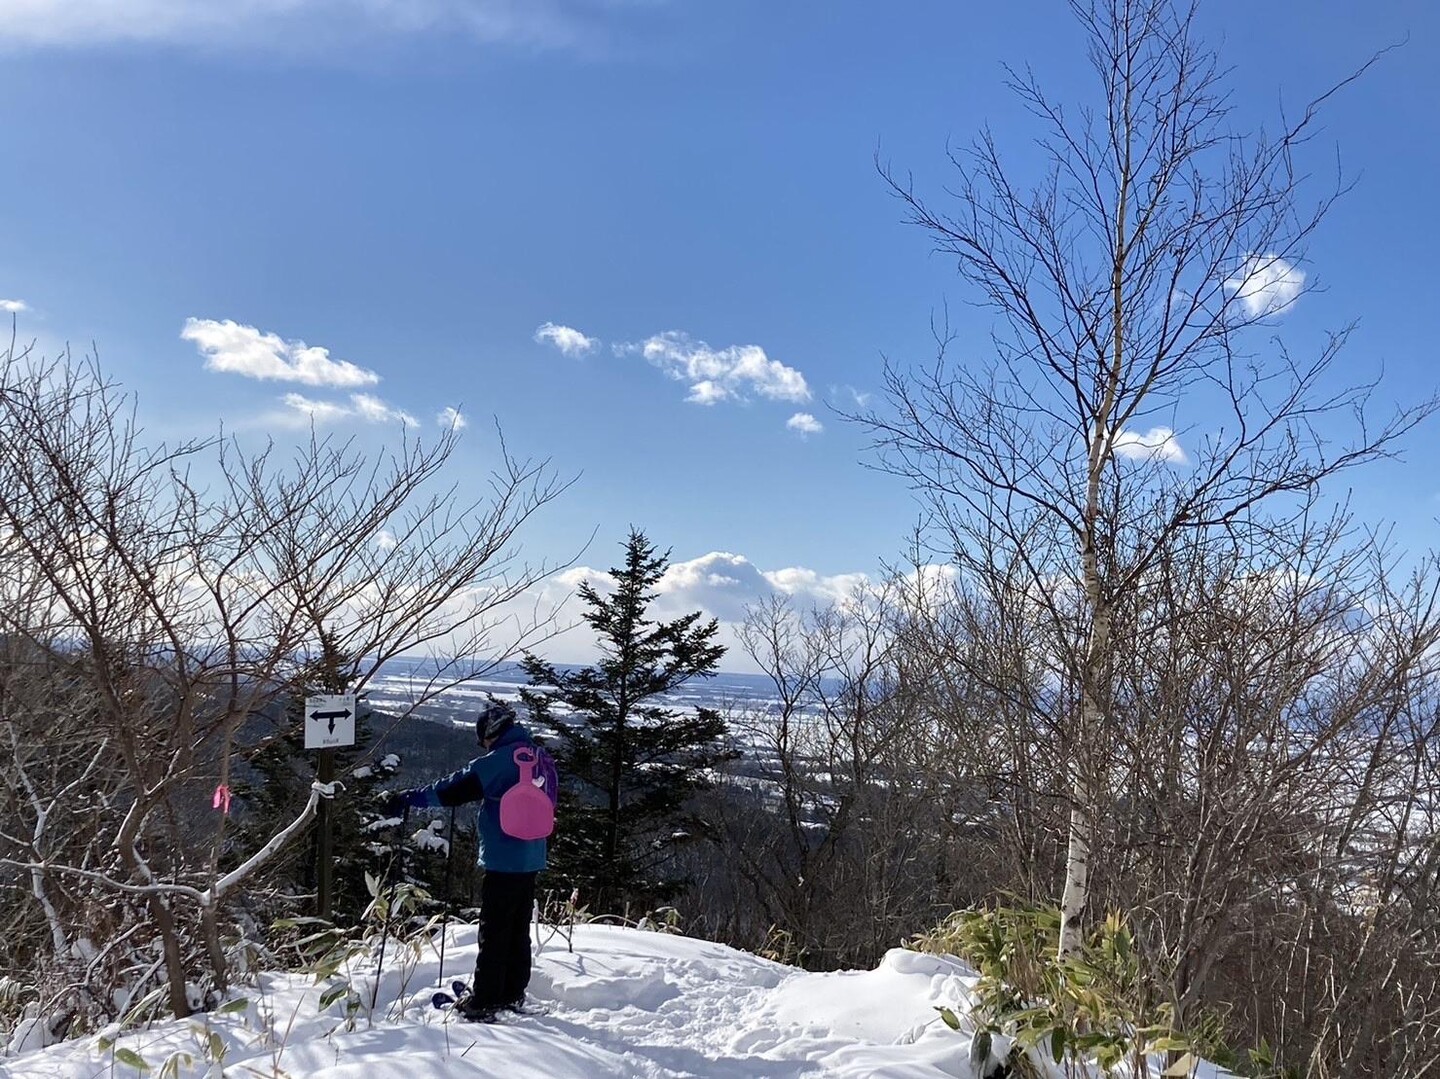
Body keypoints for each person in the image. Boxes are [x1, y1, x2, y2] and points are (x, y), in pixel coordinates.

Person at [383, 697, 546, 1022]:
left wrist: (406, 800)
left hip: (503, 856)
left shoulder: (496, 762)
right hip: (532, 854)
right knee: (517, 929)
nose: (483, 745)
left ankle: (484, 1001)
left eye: (483, 739)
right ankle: (512, 993)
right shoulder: (538, 755)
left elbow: (450, 790)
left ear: (492, 734)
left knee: (494, 930)